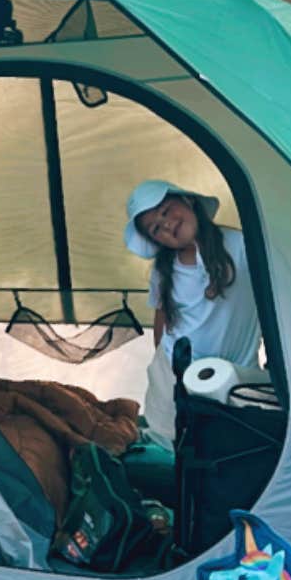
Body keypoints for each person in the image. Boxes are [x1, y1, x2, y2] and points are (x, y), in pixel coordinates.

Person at [123, 179, 262, 447]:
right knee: (181, 446)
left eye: (165, 211)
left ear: (188, 202)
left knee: (237, 445)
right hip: (177, 374)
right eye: (155, 229)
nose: (166, 224)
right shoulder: (164, 271)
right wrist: (163, 363)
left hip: (236, 373)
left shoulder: (241, 245)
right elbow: (162, 317)